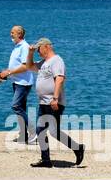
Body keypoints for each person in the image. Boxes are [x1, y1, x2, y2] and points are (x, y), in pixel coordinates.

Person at [28, 37, 84, 169]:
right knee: (41, 130)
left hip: (54, 102)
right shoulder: (43, 63)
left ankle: (78, 148)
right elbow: (29, 66)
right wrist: (30, 53)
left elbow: (59, 79)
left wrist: (55, 98)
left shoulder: (56, 60)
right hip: (43, 103)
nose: (38, 52)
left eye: (39, 49)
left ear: (46, 47)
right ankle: (46, 160)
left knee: (54, 132)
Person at [0, 25, 37, 145]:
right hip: (17, 82)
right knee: (21, 108)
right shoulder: (17, 47)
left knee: (16, 106)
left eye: (12, 32)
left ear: (19, 34)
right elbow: (16, 65)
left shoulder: (24, 47)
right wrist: (5, 74)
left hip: (23, 83)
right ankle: (24, 135)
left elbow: (25, 66)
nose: (10, 34)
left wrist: (9, 72)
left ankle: (34, 132)